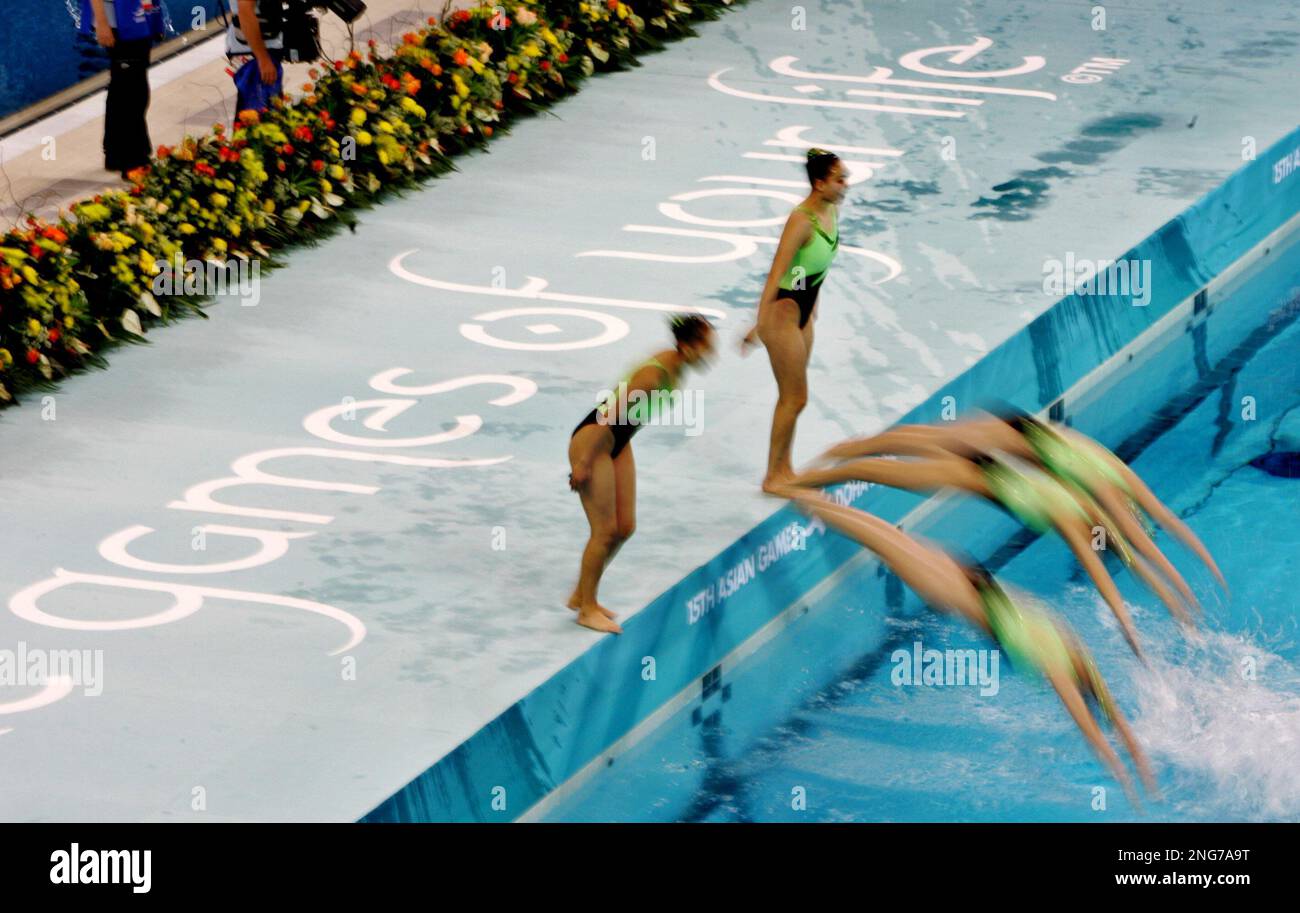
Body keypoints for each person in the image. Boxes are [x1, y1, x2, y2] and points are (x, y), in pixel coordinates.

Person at [781, 487, 1156, 803]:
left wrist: (1136, 757)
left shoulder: (1076, 649)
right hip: (959, 592)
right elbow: (1092, 727)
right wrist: (1124, 778)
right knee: (883, 542)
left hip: (973, 576)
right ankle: (807, 501)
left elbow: (1112, 718)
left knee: (891, 539)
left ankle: (815, 501)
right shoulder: (1059, 665)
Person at [787, 446, 1193, 657]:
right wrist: (1136, 622)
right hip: (973, 471)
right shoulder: (1077, 517)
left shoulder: (1082, 511)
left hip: (982, 474)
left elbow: (1125, 560)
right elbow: (1110, 577)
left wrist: (1173, 599)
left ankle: (813, 482)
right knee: (886, 498)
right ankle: (803, 481)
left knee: (890, 533)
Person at [567, 315, 717, 634]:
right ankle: (587, 609)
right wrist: (583, 463)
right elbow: (609, 417)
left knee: (625, 527)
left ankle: (582, 593)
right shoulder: (653, 376)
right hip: (596, 439)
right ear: (688, 347)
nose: (710, 355)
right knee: (604, 531)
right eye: (706, 347)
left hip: (619, 440)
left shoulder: (678, 366)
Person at [740, 148, 848, 494]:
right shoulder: (801, 220)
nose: (845, 185)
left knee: (795, 395)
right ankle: (773, 477)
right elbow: (778, 270)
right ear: (819, 184)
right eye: (839, 179)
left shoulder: (831, 210)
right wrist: (759, 324)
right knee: (795, 397)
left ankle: (785, 467)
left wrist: (812, 304)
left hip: (803, 310)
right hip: (781, 313)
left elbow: (817, 266)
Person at [81, 0, 166, 178]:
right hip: (118, 22)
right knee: (132, 92)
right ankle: (132, 160)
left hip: (139, 17)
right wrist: (102, 23)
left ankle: (115, 154)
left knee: (123, 88)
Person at [227, 0, 285, 115]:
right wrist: (263, 59)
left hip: (261, 51)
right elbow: (245, 13)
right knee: (260, 118)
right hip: (254, 57)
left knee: (269, 116)